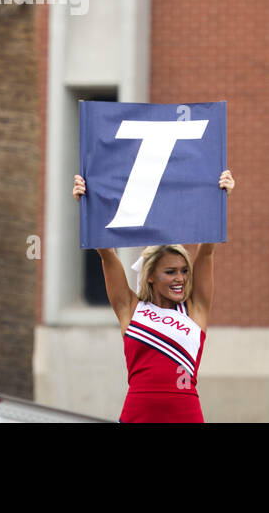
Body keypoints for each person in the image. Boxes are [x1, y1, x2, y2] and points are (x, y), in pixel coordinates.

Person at [73, 169, 235, 422]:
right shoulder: (131, 308)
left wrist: (219, 198)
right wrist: (88, 202)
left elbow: (206, 253)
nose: (180, 278)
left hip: (185, 414)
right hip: (139, 413)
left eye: (183, 271)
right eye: (170, 272)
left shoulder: (195, 310)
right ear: (150, 275)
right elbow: (107, 254)